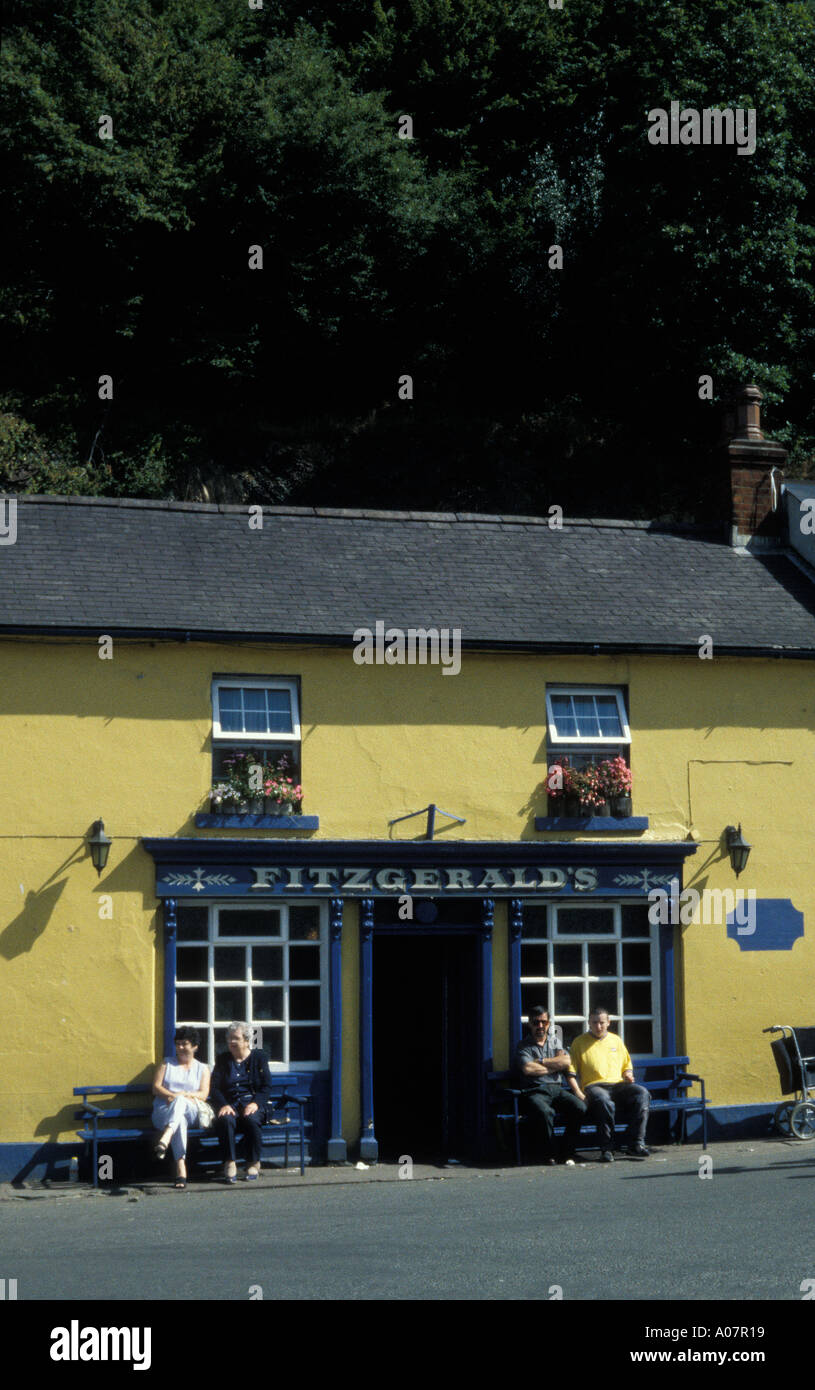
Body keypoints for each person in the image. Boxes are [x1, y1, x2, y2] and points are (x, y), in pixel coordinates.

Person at [568, 1007, 650, 1161]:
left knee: (642, 1093)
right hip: (594, 1086)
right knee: (605, 1102)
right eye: (594, 1023)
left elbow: (627, 1066)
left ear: (608, 1023)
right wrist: (579, 1093)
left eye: (602, 1023)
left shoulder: (616, 1040)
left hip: (618, 1086)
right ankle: (607, 1148)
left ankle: (636, 1144)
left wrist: (628, 1075)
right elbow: (570, 1074)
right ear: (589, 1023)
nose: (598, 1026)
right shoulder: (579, 1042)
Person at [513, 1006, 587, 1165]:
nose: (540, 1026)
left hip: (557, 1089)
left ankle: (567, 1152)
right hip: (535, 1091)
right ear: (529, 1024)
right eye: (536, 1022)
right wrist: (555, 1065)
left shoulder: (555, 1041)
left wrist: (541, 1062)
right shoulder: (523, 1046)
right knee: (544, 1112)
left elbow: (567, 1061)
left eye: (544, 1022)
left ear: (549, 1023)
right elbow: (528, 1069)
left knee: (579, 1107)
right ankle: (550, 1153)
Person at [210, 1022, 273, 1183]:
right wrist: (223, 1104)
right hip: (230, 1104)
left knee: (251, 1119)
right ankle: (230, 1162)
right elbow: (214, 1087)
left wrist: (256, 1103)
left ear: (246, 1041)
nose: (231, 1042)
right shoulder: (223, 1059)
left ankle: (253, 1162)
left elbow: (266, 1087)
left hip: (252, 1102)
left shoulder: (259, 1058)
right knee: (225, 1120)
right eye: (229, 1038)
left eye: (236, 1038)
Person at [152, 1026, 210, 1189]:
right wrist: (172, 1096)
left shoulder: (202, 1068)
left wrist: (180, 1096)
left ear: (195, 1046)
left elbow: (204, 1094)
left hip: (192, 1110)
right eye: (178, 1044)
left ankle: (166, 1136)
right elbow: (156, 1087)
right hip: (163, 1112)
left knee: (181, 1102)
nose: (180, 1048)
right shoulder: (166, 1063)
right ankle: (180, 1167)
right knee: (180, 1120)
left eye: (185, 1044)